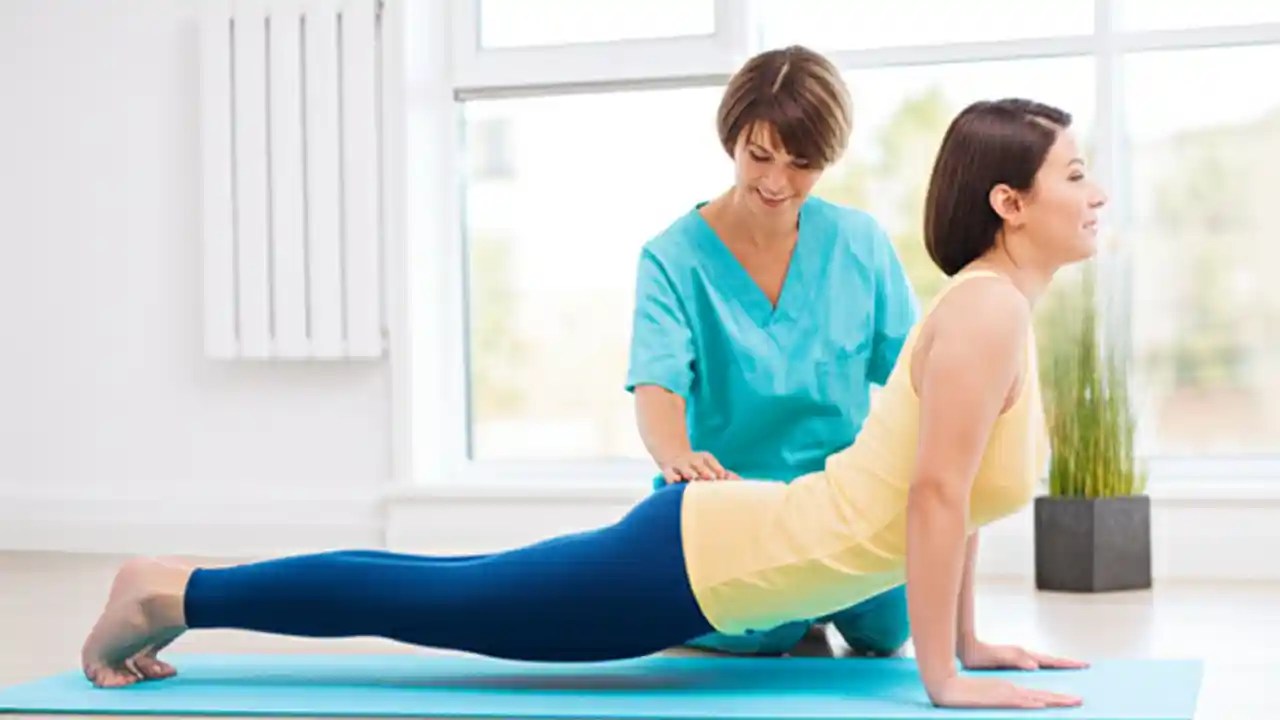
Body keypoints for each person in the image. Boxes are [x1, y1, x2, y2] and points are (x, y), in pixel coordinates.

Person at [80, 96, 1104, 711]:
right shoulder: (982, 313)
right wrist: (942, 681)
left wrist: (969, 646)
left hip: (735, 554)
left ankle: (177, 586)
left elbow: (954, 498)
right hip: (708, 562)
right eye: (1074, 173)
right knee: (434, 602)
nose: (1093, 193)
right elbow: (931, 499)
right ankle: (171, 589)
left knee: (444, 586)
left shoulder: (998, 308)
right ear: (1008, 203)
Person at [626, 45, 918, 657]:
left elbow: (916, 378)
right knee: (767, 631)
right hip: (735, 508)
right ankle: (781, 609)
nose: (776, 181)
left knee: (891, 629)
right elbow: (658, 383)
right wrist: (678, 455)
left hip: (839, 507)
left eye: (801, 163)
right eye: (759, 155)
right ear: (731, 139)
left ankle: (812, 601)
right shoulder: (672, 258)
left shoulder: (858, 243)